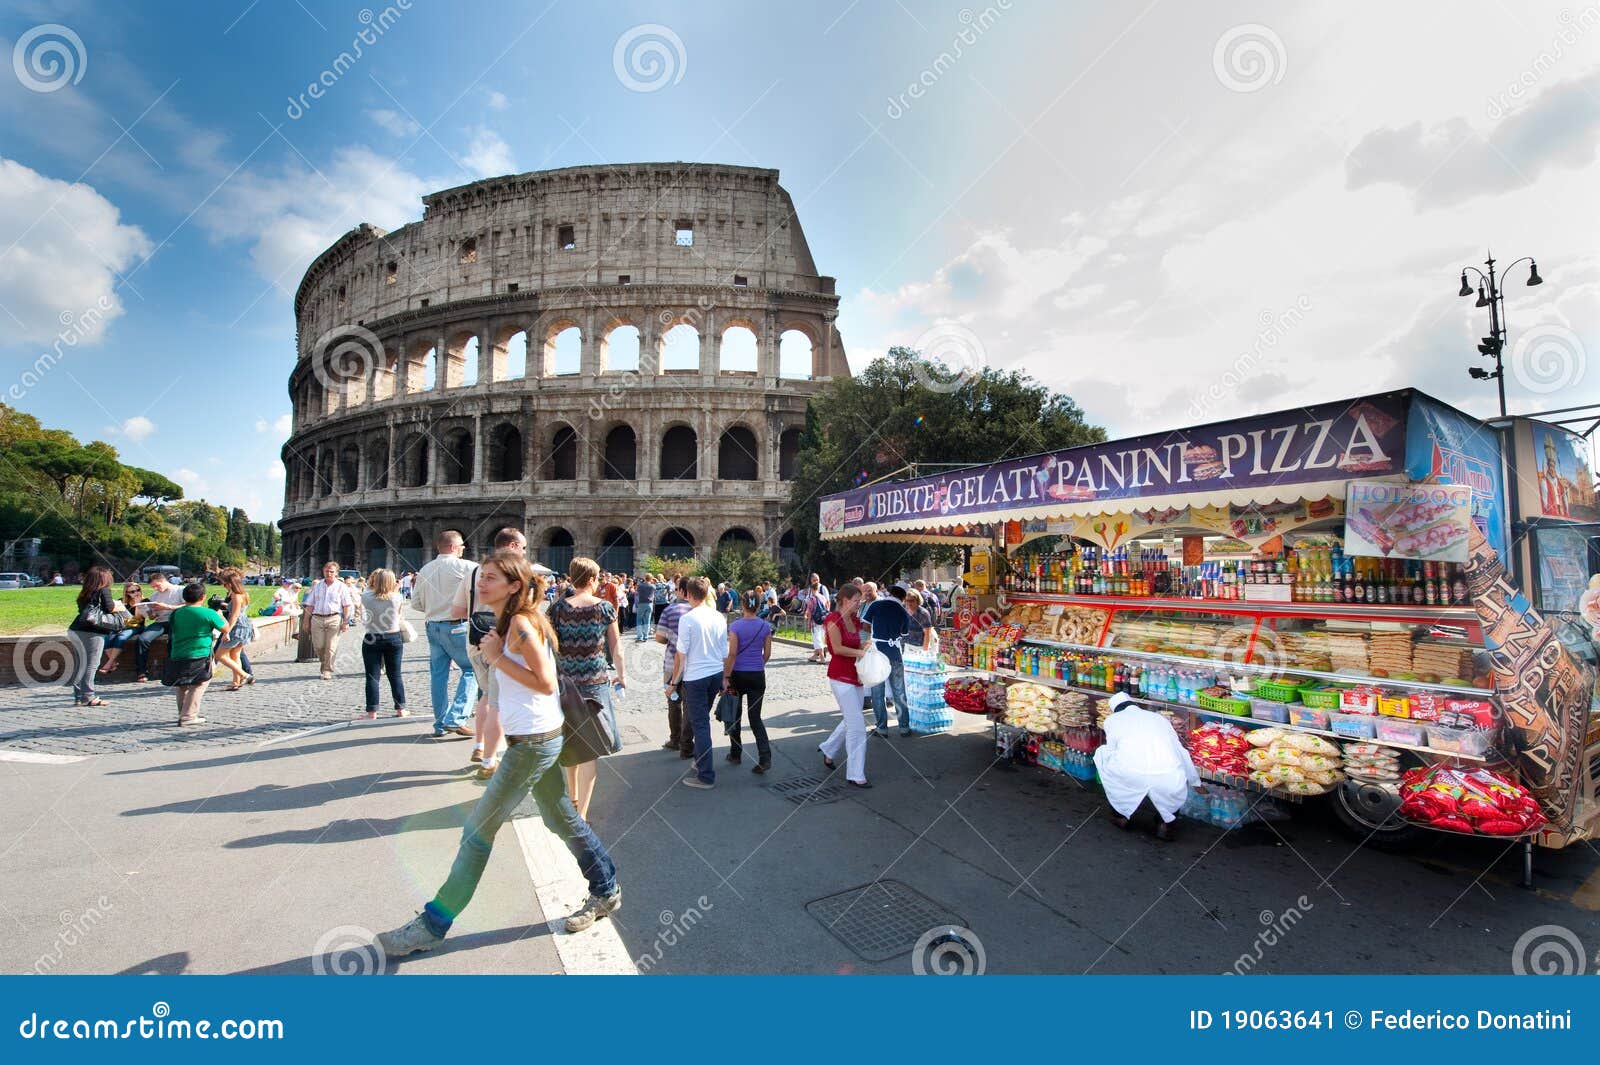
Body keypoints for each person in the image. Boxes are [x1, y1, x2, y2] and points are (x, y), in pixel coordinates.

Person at [376, 552, 621, 958]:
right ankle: (606, 888)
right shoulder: (512, 622)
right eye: (481, 577)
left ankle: (432, 925)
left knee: (476, 834)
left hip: (533, 744)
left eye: (490, 578)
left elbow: (544, 682)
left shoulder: (522, 623)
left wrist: (497, 657)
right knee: (561, 818)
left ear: (514, 585)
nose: (480, 584)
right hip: (536, 737)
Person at [550, 557, 624, 819]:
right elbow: (616, 647)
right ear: (592, 580)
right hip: (595, 684)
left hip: (564, 685)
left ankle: (572, 798)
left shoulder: (557, 609)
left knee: (570, 744)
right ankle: (581, 814)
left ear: (572, 577)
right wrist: (621, 676)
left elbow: (549, 647)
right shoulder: (604, 608)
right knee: (590, 749)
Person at [458, 527, 527, 779]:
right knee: (499, 702)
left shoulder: (473, 572)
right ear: (511, 547)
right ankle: (490, 761)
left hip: (476, 641)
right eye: (522, 547)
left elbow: (457, 610)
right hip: (503, 642)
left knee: (488, 696)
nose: (524, 552)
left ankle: (480, 746)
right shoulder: (517, 573)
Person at [1093, 692, 1201, 842]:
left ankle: (1120, 815)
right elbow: (1179, 750)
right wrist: (1195, 781)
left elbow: (1111, 750)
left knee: (1102, 754)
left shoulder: (1112, 720)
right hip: (1168, 774)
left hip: (1130, 773)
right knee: (1169, 774)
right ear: (1134, 705)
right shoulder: (1158, 718)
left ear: (1115, 709)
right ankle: (1165, 825)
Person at [412, 530, 478, 739]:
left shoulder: (424, 570)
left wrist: (435, 609)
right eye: (461, 546)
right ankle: (456, 718)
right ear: (452, 547)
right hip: (457, 626)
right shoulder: (468, 567)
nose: (463, 549)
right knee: (472, 669)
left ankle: (440, 724)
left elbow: (416, 604)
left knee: (438, 676)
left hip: (432, 627)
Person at [669, 576, 727, 790]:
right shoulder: (719, 617)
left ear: (689, 594)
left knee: (700, 724)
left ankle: (706, 775)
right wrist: (724, 678)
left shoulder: (688, 619)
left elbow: (681, 654)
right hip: (714, 675)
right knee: (699, 719)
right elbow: (724, 652)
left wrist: (673, 682)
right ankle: (701, 761)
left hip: (696, 677)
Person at [818, 582, 872, 788]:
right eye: (857, 600)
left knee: (852, 719)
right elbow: (837, 649)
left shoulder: (855, 620)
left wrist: (865, 645)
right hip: (840, 677)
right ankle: (856, 774)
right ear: (845, 600)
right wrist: (861, 652)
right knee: (857, 727)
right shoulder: (833, 619)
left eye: (860, 601)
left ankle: (828, 749)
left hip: (855, 675)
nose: (859, 604)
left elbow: (856, 643)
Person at [164, 581, 228, 726]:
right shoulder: (208, 613)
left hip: (178, 653)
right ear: (203, 597)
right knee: (200, 683)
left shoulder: (176, 613)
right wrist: (220, 614)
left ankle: (182, 713)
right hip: (200, 653)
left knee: (181, 684)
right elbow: (226, 628)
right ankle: (189, 716)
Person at [723, 591, 774, 772]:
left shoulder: (735, 627)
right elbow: (767, 654)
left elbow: (732, 654)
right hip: (757, 675)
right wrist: (759, 663)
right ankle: (765, 758)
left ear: (742, 605)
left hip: (737, 675)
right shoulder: (765, 626)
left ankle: (736, 753)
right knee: (755, 718)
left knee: (734, 717)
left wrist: (726, 676)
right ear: (759, 606)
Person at [862, 584, 913, 737]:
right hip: (895, 654)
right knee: (899, 691)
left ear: (890, 592)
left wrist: (876, 633)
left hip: (878, 653)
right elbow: (904, 633)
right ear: (903, 597)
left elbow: (865, 625)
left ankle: (882, 728)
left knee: (877, 693)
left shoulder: (877, 605)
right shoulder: (903, 612)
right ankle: (904, 727)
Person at [360, 568, 408, 720]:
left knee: (372, 676)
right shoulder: (397, 598)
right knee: (395, 675)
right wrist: (395, 588)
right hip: (393, 637)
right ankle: (400, 709)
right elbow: (398, 612)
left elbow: (368, 590)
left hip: (372, 637)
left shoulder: (366, 596)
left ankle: (372, 712)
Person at [66, 564, 118, 706]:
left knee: (80, 664)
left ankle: (78, 696)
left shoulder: (85, 592)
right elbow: (110, 608)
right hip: (93, 632)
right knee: (91, 664)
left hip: (75, 630)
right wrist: (118, 606)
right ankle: (89, 696)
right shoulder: (104, 591)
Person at [655, 576, 693, 757]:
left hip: (672, 663)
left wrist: (672, 638)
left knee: (674, 702)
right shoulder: (700, 609)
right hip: (694, 665)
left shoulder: (670, 610)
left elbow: (659, 637)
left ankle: (675, 739)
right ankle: (688, 742)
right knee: (690, 704)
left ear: (681, 590)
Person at [302, 561, 358, 682]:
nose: (329, 574)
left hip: (334, 618)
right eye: (327, 571)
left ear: (336, 573)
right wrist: (306, 621)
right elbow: (310, 604)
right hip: (317, 618)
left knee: (331, 646)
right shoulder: (317, 586)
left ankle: (327, 670)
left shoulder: (341, 586)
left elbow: (347, 605)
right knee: (318, 646)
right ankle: (324, 663)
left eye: (331, 571)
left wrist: (346, 622)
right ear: (323, 571)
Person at [133, 571, 185, 682]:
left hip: (176, 620)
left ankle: (173, 671)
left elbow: (188, 606)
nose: (156, 588)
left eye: (157, 585)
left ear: (164, 581)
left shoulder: (180, 590)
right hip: (160, 622)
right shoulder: (154, 596)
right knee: (143, 639)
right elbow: (152, 617)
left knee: (173, 641)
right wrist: (147, 611)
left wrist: (167, 607)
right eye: (153, 587)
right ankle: (141, 671)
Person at [212, 567, 255, 691]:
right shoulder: (244, 594)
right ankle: (236, 682)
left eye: (224, 583)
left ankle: (244, 675)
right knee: (235, 654)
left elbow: (235, 615)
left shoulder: (236, 595)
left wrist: (227, 631)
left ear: (230, 583)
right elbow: (239, 610)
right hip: (244, 625)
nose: (223, 586)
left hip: (237, 627)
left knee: (220, 655)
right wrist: (225, 605)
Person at [98, 581, 145, 675]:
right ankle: (114, 663)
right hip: (123, 625)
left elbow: (139, 619)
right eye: (132, 591)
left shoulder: (145, 601)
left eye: (137, 590)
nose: (136, 593)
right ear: (127, 593)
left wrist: (138, 603)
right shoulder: (122, 601)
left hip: (137, 626)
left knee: (121, 637)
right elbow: (116, 615)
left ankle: (109, 663)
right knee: (107, 638)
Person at [804, 575, 830, 663]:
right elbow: (827, 605)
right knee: (821, 637)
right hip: (823, 619)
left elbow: (810, 611)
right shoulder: (822, 597)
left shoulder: (812, 598)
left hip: (815, 621)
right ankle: (816, 655)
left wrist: (808, 622)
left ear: (812, 589)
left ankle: (822, 657)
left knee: (817, 639)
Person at [632, 574, 656, 642]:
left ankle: (640, 636)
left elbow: (636, 593)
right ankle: (646, 636)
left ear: (645, 578)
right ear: (651, 578)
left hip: (641, 603)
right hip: (649, 604)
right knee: (647, 620)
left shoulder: (640, 585)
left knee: (639, 620)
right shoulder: (653, 586)